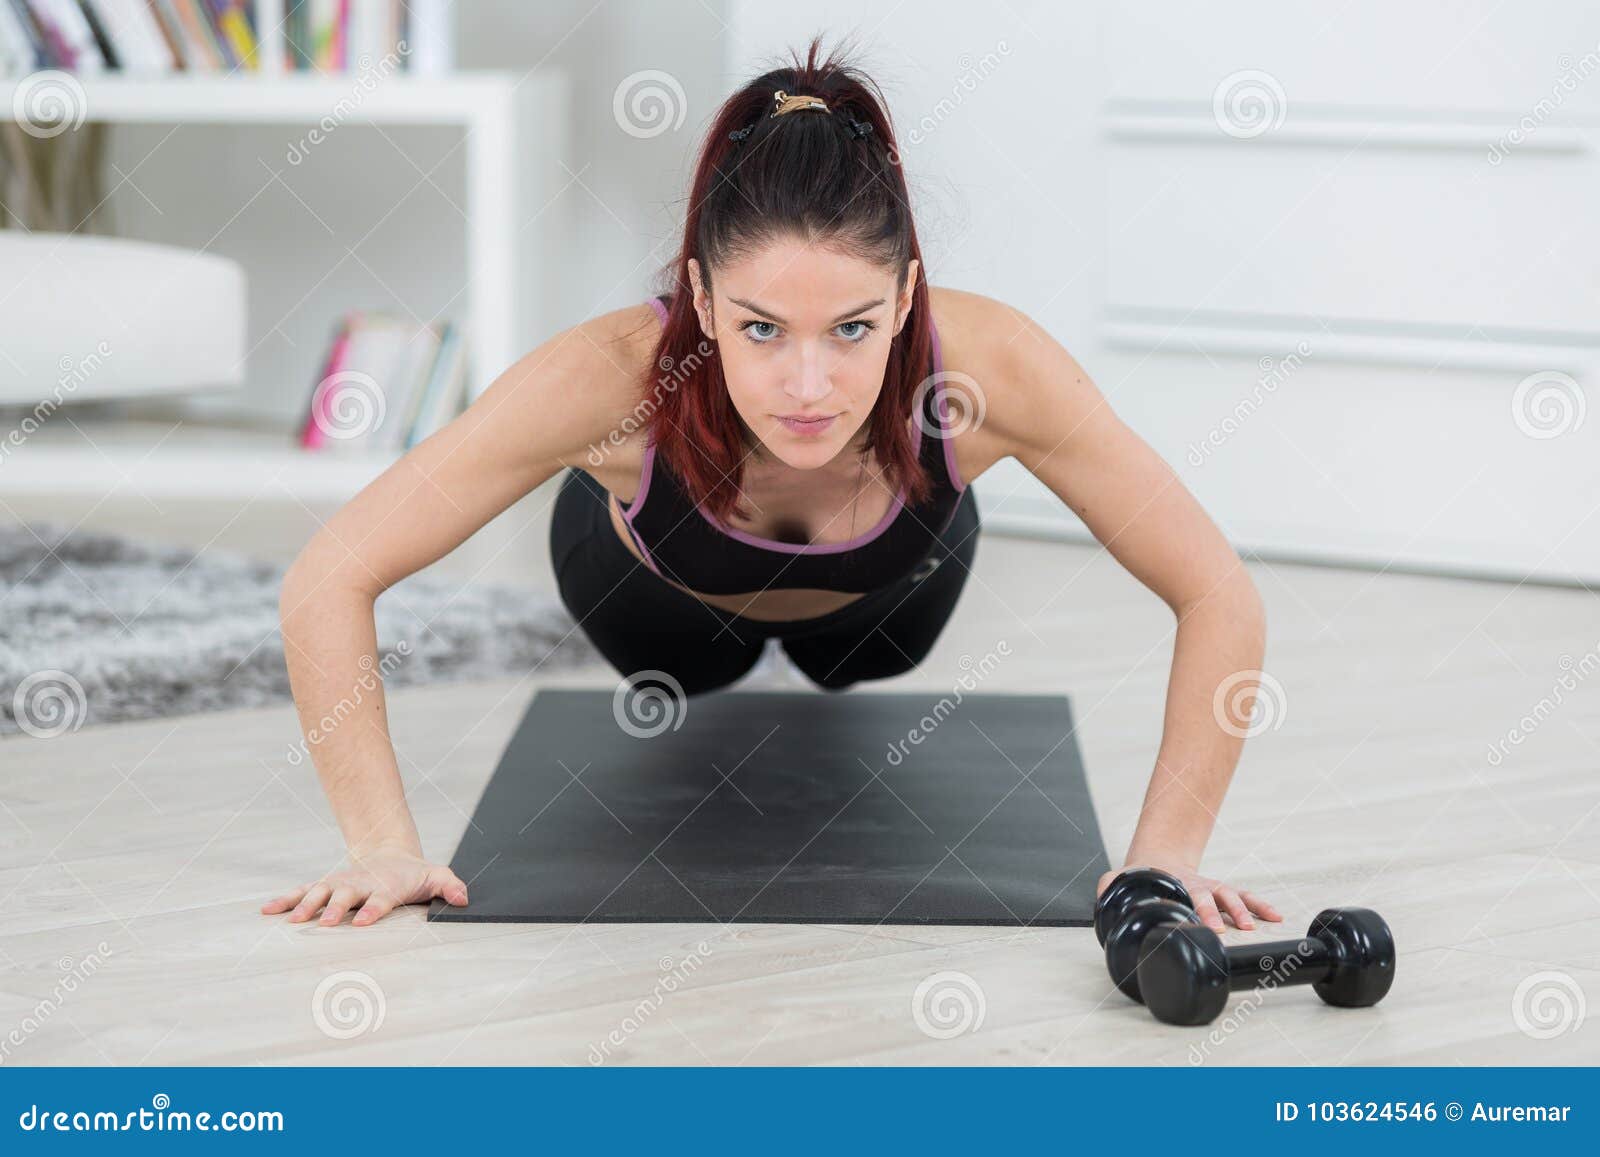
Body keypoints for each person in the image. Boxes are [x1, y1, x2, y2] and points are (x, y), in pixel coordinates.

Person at [263, 38, 1283, 937]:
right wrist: (382, 845)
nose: (808, 387)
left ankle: (827, 640)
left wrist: (1165, 856)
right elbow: (328, 579)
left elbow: (1216, 591)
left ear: (907, 296)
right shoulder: (603, 378)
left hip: (889, 606)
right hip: (656, 606)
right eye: (759, 328)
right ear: (699, 295)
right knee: (689, 678)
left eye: (850, 327)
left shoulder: (992, 368)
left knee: (852, 673)